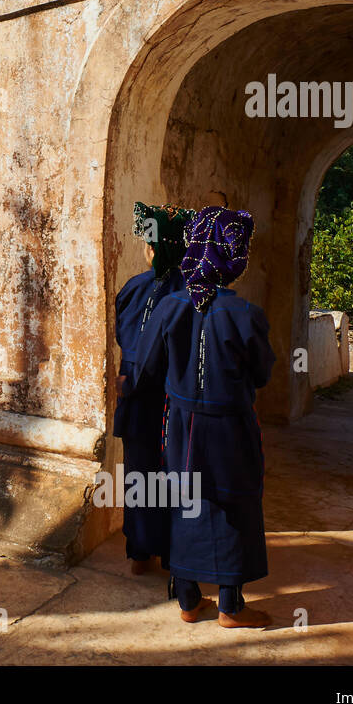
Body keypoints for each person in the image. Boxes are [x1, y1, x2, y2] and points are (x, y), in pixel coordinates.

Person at [133, 206, 275, 628]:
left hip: (181, 427)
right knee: (234, 503)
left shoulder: (170, 307)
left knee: (184, 502)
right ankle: (231, 606)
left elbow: (146, 369)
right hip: (231, 427)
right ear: (234, 256)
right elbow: (262, 374)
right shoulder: (245, 314)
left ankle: (189, 601)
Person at [113, 202, 194, 575]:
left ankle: (139, 552)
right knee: (175, 471)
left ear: (154, 247)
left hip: (134, 391)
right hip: (172, 395)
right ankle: (172, 550)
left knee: (139, 472)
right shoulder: (191, 293)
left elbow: (123, 337)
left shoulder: (132, 288)